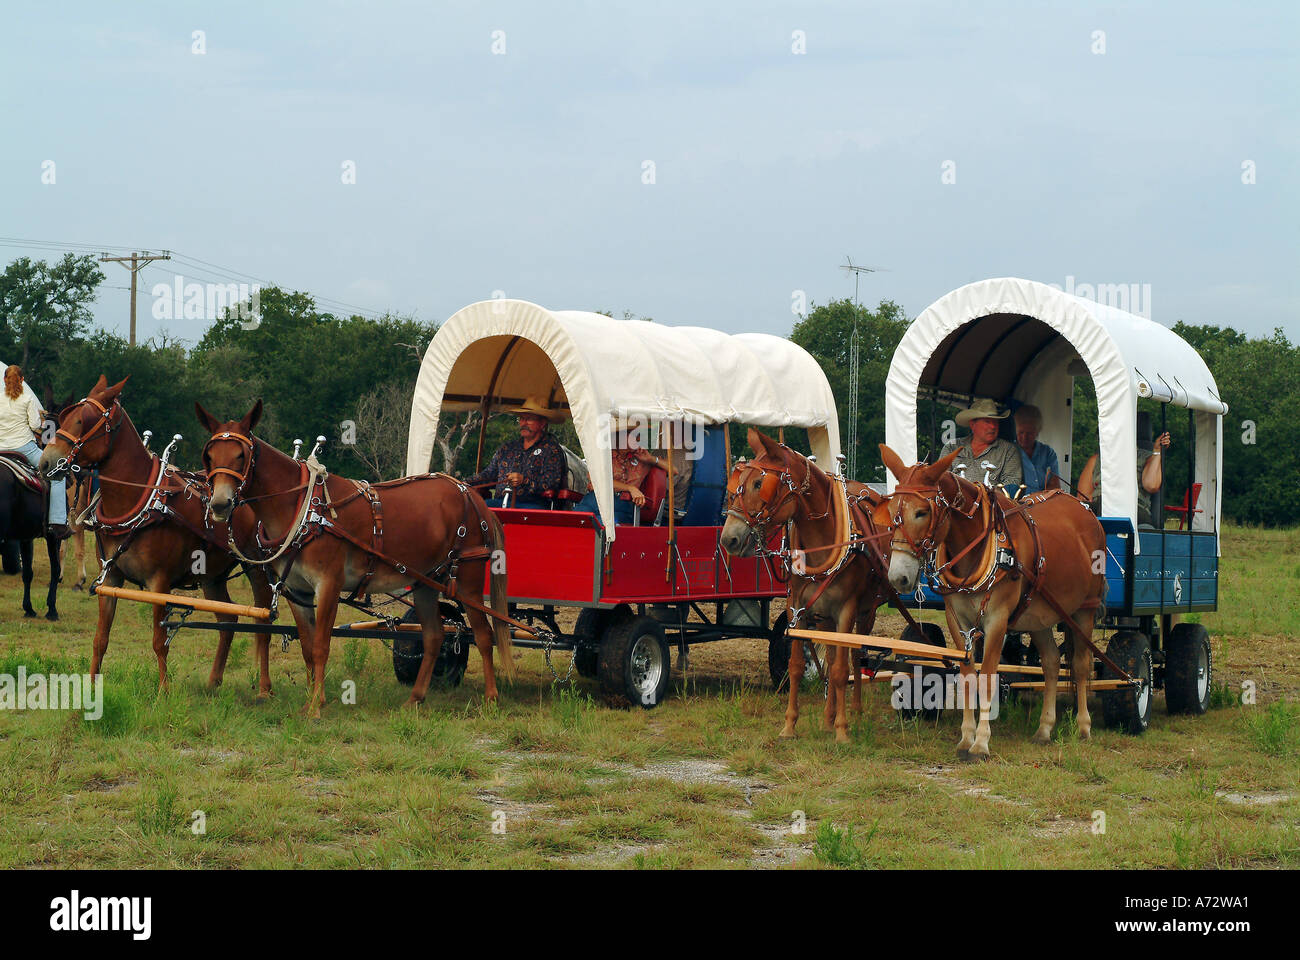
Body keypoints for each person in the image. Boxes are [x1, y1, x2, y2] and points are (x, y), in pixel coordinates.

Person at [0, 365, 69, 538]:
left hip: (1, 449)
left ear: (4, 381)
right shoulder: (27, 399)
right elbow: (35, 426)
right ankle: (58, 522)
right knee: (57, 474)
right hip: (24, 448)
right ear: (22, 380)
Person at [465, 396, 566, 508]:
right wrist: (463, 482)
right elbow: (488, 475)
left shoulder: (552, 450)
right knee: (478, 509)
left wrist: (524, 480)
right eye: (521, 419)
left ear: (542, 423)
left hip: (533, 506)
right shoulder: (507, 448)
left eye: (529, 419)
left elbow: (552, 484)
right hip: (500, 503)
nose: (523, 423)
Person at [1077, 431, 1171, 527]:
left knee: (1144, 528)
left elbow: (1151, 485)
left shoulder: (1146, 457)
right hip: (1100, 506)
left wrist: (1157, 451)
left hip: (1135, 509)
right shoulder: (1096, 460)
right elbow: (1083, 497)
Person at [576, 433, 663, 526]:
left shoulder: (642, 459)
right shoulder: (605, 455)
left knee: (600, 525)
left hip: (622, 504)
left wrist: (652, 459)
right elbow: (597, 479)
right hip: (594, 499)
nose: (638, 439)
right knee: (574, 520)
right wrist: (630, 488)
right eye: (633, 436)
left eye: (638, 436)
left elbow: (674, 470)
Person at [940, 398, 1023, 492]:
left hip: (992, 505)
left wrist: (983, 498)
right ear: (972, 424)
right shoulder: (952, 447)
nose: (993, 426)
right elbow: (940, 480)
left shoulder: (1008, 450)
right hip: (955, 505)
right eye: (987, 421)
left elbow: (1012, 485)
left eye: (995, 421)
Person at [1013, 404, 1060, 494]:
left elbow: (1055, 485)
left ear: (1037, 431)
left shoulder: (1048, 453)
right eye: (1021, 432)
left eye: (1029, 433)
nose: (1024, 437)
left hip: (1043, 503)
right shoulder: (1009, 452)